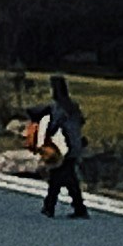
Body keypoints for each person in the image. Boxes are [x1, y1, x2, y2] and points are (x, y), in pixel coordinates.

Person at [38, 73, 90, 220]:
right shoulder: (73, 106)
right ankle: (76, 207)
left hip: (65, 147)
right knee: (68, 177)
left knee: (57, 176)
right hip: (75, 145)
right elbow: (81, 122)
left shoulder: (59, 108)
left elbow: (53, 126)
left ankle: (51, 206)